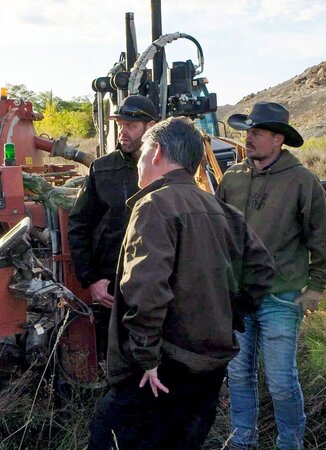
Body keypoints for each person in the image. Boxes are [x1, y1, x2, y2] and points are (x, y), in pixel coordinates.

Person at [87, 117, 276, 450]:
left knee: (110, 439)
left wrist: (146, 358)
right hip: (208, 367)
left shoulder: (153, 205)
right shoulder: (222, 209)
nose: (139, 161)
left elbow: (146, 290)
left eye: (143, 151)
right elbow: (262, 272)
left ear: (156, 152)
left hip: (158, 371)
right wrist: (224, 316)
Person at [217, 102, 326, 450]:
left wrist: (315, 287)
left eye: (256, 132)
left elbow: (324, 239)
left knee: (282, 380)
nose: (248, 138)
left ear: (278, 139)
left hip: (281, 296)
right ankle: (243, 442)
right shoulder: (233, 178)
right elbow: (219, 233)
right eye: (248, 131)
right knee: (239, 374)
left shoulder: (302, 181)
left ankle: (291, 444)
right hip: (239, 296)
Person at [67, 95, 157, 308]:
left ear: (151, 126)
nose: (123, 131)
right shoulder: (102, 169)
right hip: (111, 286)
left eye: (131, 125)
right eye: (120, 125)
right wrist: (90, 280)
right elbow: (79, 226)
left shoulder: (166, 166)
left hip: (157, 282)